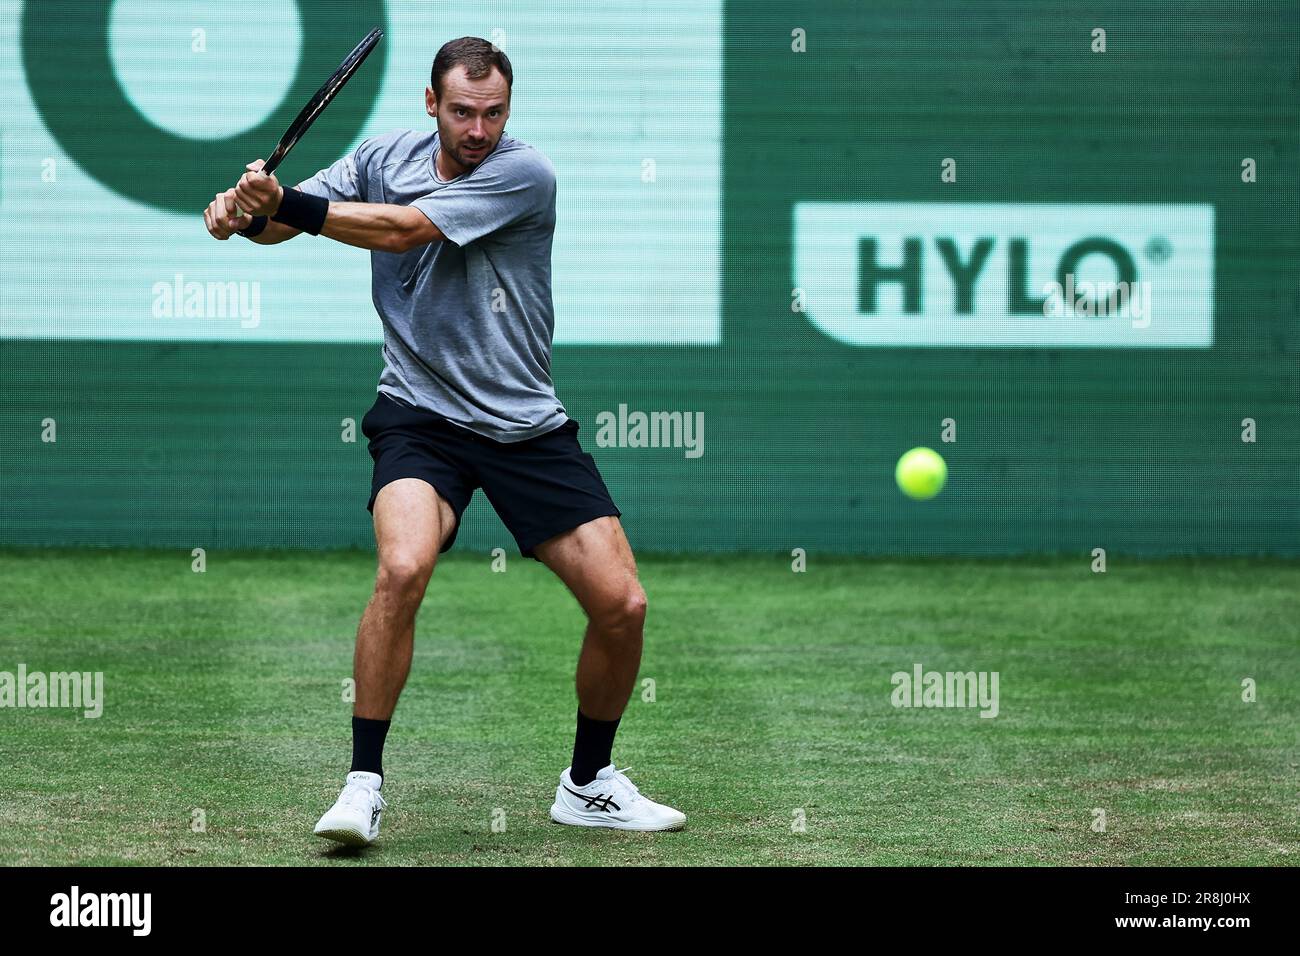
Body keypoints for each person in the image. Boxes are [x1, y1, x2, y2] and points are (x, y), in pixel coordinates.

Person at [203, 36, 684, 842]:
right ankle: (361, 786)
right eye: (463, 112)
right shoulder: (383, 155)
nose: (479, 128)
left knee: (623, 607)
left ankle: (589, 781)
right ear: (432, 104)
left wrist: (280, 202)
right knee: (402, 564)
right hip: (420, 416)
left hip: (524, 425)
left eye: (494, 112)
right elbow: (284, 229)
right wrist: (249, 217)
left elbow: (397, 231)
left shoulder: (524, 175)